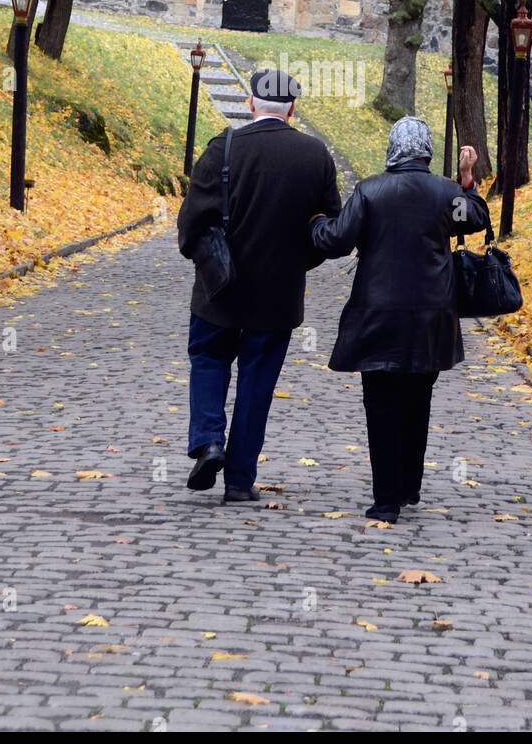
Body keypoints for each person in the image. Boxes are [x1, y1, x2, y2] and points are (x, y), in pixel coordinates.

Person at [309, 116, 489, 523]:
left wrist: (315, 222)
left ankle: (386, 500)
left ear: (393, 148)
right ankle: (409, 485)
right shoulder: (445, 192)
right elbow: (476, 217)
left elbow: (336, 240)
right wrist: (465, 178)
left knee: (381, 405)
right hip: (431, 317)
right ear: (425, 150)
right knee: (417, 400)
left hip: (378, 315)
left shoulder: (370, 191)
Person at [177, 68, 341, 502]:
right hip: (278, 294)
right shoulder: (316, 156)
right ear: (292, 109)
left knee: (208, 358)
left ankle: (210, 440)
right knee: (258, 382)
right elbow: (328, 229)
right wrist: (299, 263)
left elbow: (192, 223)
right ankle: (238, 481)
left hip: (220, 290)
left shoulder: (222, 147)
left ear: (251, 103)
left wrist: (204, 258)